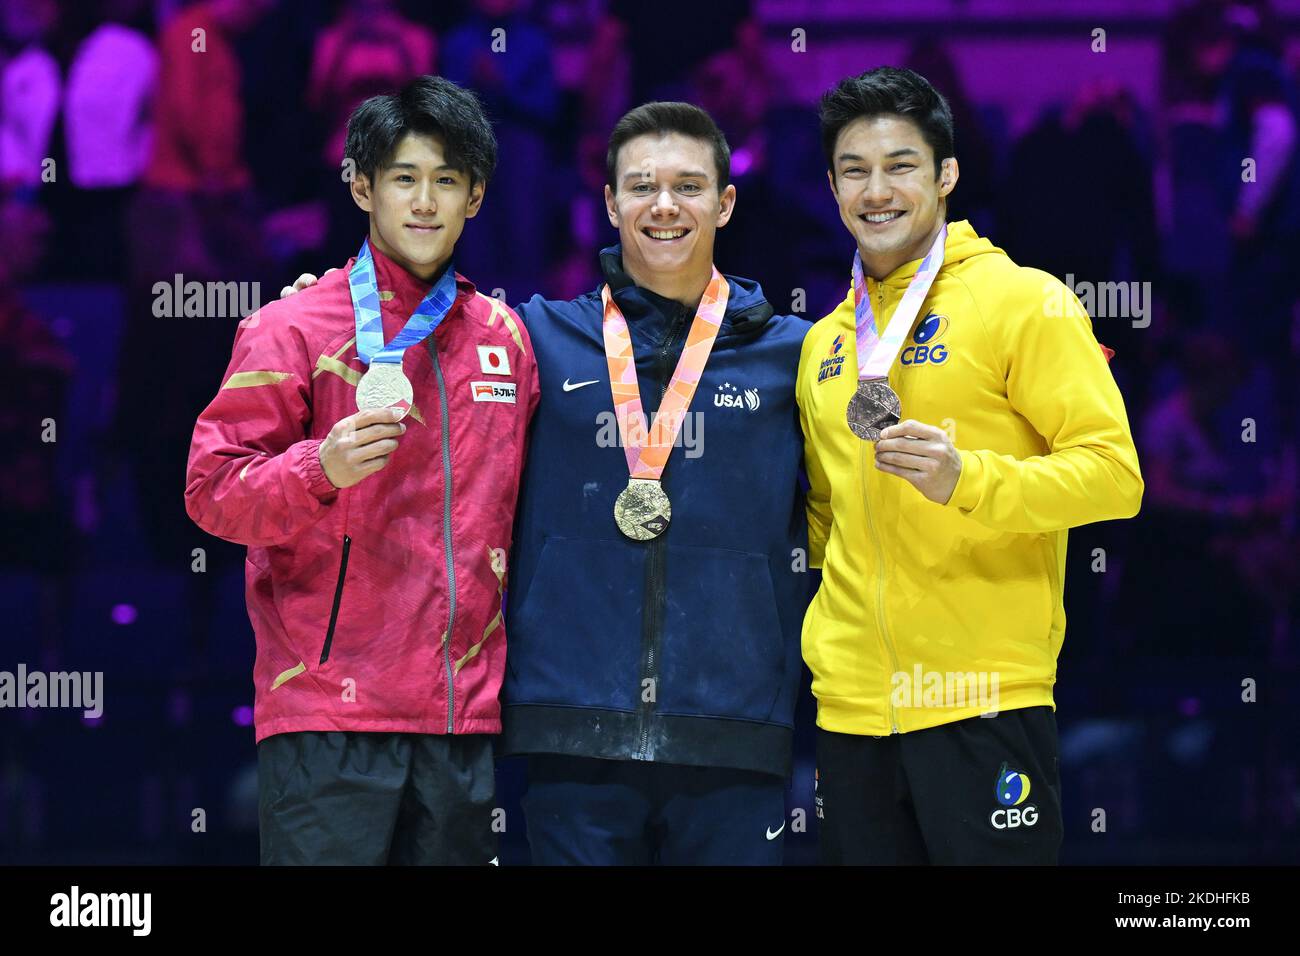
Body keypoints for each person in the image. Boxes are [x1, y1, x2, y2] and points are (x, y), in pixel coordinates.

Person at [286, 102, 809, 865]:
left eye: (689, 187)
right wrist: (324, 304)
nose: (664, 206)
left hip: (735, 732)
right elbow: (413, 326)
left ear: (725, 202)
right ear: (609, 202)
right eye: (641, 186)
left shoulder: (794, 357)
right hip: (569, 730)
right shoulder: (532, 340)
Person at [185, 76, 539, 865]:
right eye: (404, 178)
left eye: (447, 180)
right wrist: (320, 466)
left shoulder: (506, 339)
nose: (424, 202)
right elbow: (210, 492)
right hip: (325, 718)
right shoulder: (291, 328)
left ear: (476, 197)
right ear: (360, 186)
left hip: (460, 717)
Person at [799, 67, 1143, 865]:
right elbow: (825, 523)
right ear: (832, 185)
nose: (876, 190)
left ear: (947, 174)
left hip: (982, 702)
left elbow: (1115, 476)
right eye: (855, 170)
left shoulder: (1027, 301)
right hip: (850, 713)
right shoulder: (824, 343)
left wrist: (973, 480)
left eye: (901, 166)